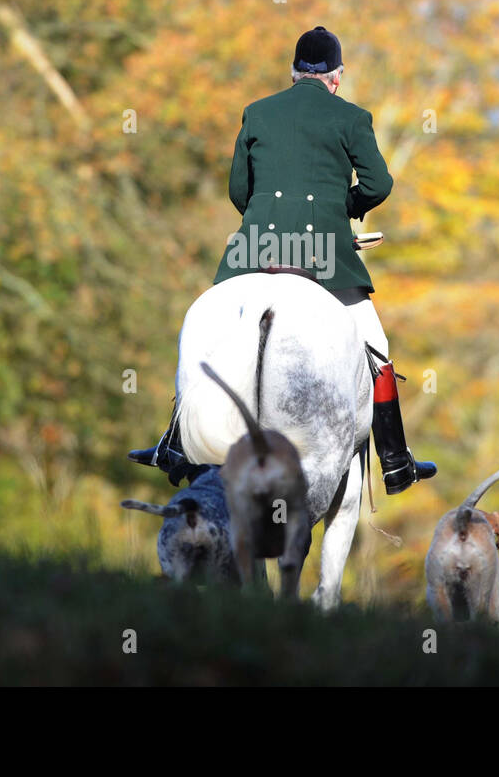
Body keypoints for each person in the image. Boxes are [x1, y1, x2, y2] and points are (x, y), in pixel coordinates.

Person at [130, 26, 436, 495]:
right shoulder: (352, 117)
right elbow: (379, 185)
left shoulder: (257, 113)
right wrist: (343, 208)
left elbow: (239, 190)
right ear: (337, 77)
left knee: (203, 332)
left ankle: (173, 440)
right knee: (377, 350)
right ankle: (396, 461)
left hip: (255, 251)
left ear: (293, 73)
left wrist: (267, 222)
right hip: (326, 258)